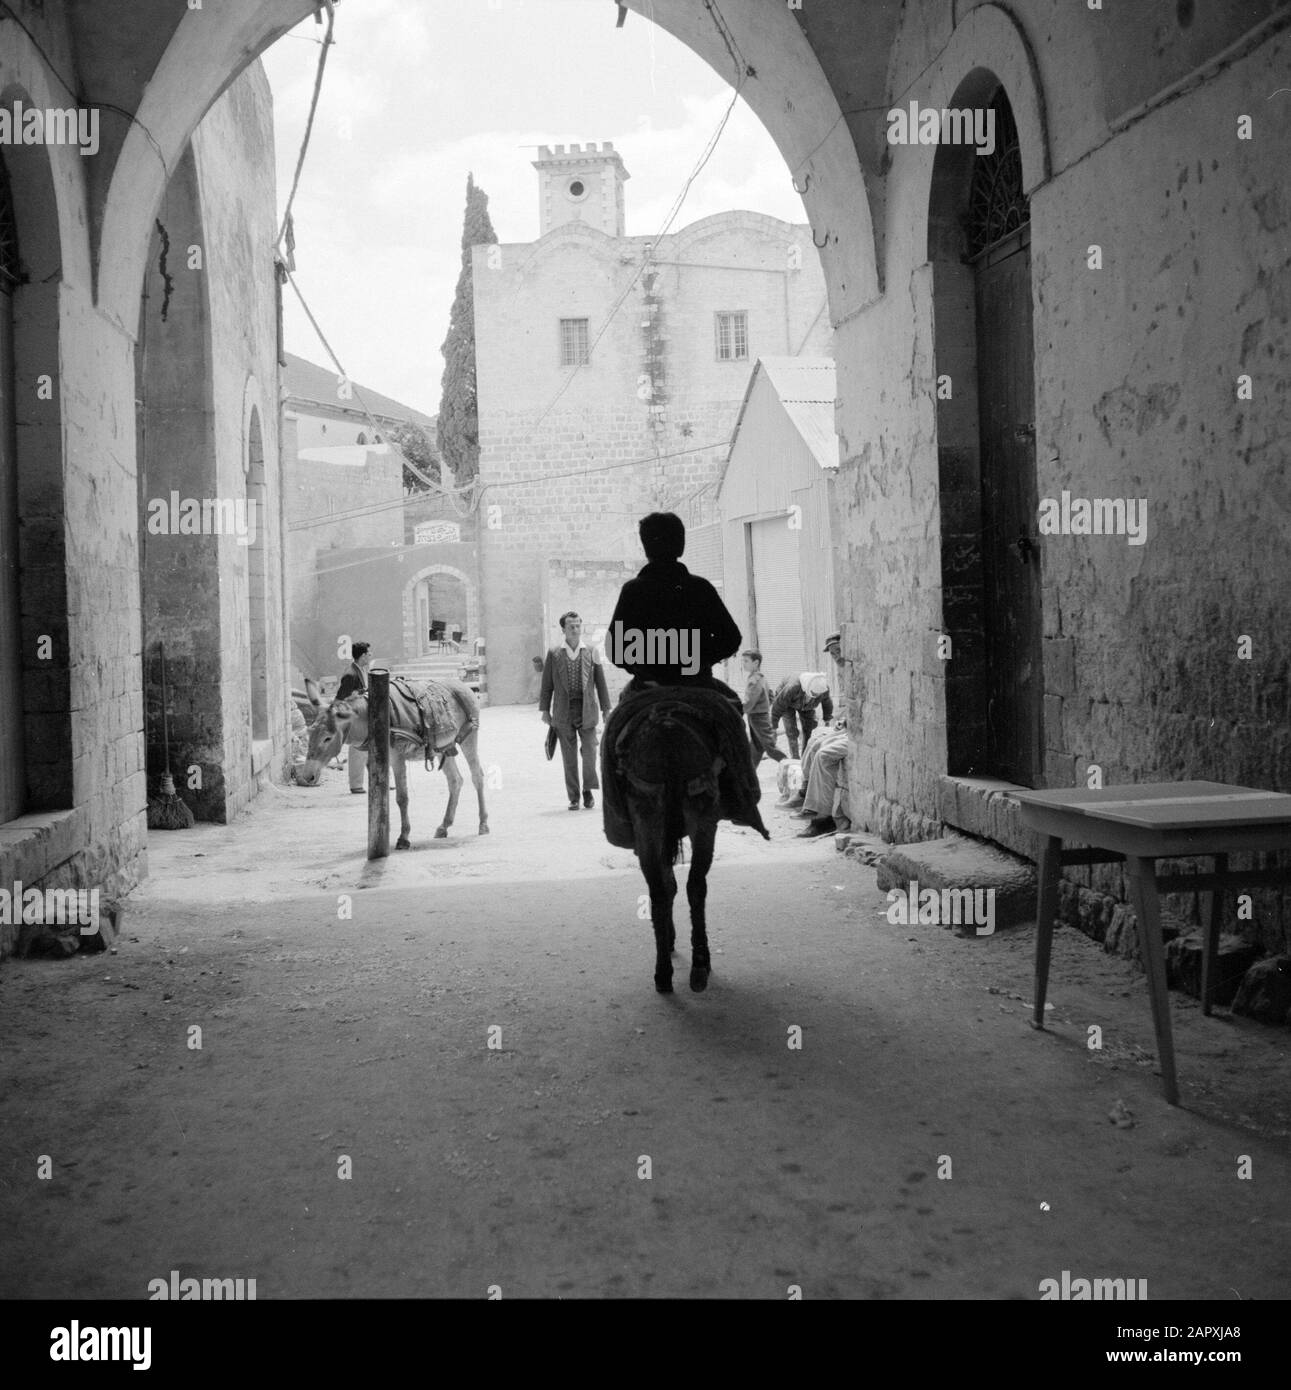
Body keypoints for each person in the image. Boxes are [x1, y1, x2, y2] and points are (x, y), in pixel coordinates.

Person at [603, 511, 742, 701]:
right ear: (681, 545)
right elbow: (731, 638)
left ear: (645, 547)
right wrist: (698, 661)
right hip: (698, 684)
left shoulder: (632, 591)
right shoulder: (700, 588)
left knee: (614, 727)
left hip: (646, 687)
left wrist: (644, 669)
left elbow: (615, 649)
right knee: (734, 718)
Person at [540, 612, 611, 810]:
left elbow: (601, 684)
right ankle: (574, 797)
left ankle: (588, 791)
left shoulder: (591, 651)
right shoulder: (554, 654)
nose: (575, 629)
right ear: (563, 629)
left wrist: (606, 709)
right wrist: (545, 710)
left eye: (578, 625)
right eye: (570, 626)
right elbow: (547, 685)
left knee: (589, 752)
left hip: (587, 710)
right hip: (563, 711)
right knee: (568, 757)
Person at [770, 670, 833, 759]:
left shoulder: (823, 688)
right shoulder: (792, 687)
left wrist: (827, 719)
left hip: (807, 705)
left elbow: (827, 703)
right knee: (791, 730)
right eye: (814, 693)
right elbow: (778, 706)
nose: (816, 695)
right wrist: (773, 727)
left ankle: (805, 757)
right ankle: (795, 757)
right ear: (808, 689)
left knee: (809, 728)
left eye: (818, 695)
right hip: (787, 703)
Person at [336, 641, 372, 794]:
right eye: (368, 653)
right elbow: (339, 700)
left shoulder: (360, 669)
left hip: (363, 715)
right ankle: (355, 785)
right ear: (363, 655)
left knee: (371, 749)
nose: (370, 656)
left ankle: (379, 779)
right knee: (358, 749)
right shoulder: (350, 674)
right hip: (355, 719)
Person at [741, 649, 785, 768]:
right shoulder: (761, 678)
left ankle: (791, 766)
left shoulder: (753, 680)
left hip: (757, 717)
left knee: (770, 748)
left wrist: (738, 711)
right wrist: (764, 706)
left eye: (746, 661)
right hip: (760, 716)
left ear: (755, 663)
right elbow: (771, 696)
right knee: (756, 748)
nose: (743, 664)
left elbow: (749, 702)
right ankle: (749, 775)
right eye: (743, 661)